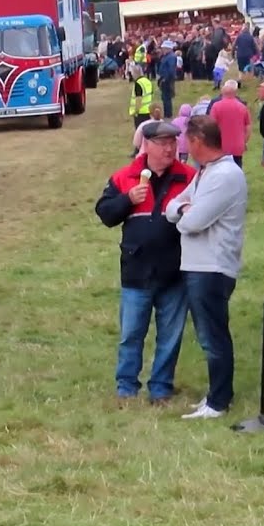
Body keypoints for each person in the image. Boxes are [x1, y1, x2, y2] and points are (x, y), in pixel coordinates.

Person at [95, 121, 196, 405]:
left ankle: (161, 388)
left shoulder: (188, 177)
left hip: (175, 271)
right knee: (131, 335)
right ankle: (126, 387)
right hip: (136, 271)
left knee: (170, 335)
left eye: (173, 143)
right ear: (147, 145)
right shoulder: (125, 177)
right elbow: (104, 214)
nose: (169, 148)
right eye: (162, 143)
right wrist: (127, 200)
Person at [165, 116, 248, 420]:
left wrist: (185, 212)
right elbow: (173, 206)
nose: (185, 146)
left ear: (198, 141)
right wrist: (184, 209)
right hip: (198, 265)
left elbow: (191, 221)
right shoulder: (205, 173)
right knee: (207, 335)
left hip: (212, 267)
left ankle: (218, 402)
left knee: (213, 336)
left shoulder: (224, 175)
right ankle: (215, 395)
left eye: (187, 140)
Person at [209, 79, 252, 167]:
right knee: (236, 169)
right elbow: (248, 126)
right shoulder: (242, 107)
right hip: (237, 146)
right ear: (235, 93)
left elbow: (211, 126)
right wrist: (244, 141)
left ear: (222, 92)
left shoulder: (216, 106)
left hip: (220, 146)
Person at [128, 64, 154, 129]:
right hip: (149, 110)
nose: (132, 75)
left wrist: (136, 111)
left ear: (135, 73)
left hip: (140, 112)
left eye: (132, 73)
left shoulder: (138, 84)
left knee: (140, 132)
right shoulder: (148, 81)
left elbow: (138, 99)